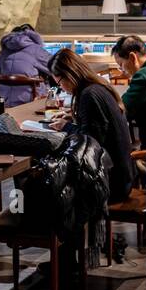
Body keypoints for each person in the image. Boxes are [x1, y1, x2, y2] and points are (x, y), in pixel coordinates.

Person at [47, 48, 134, 203]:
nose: (62, 88)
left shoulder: (89, 95)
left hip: (109, 183)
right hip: (120, 175)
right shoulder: (98, 86)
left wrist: (65, 127)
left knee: (45, 185)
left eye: (60, 83)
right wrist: (76, 116)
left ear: (70, 75)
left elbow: (89, 143)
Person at [0, 24, 53, 106]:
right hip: (31, 100)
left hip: (3, 101)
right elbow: (54, 66)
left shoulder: (4, 50)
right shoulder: (36, 49)